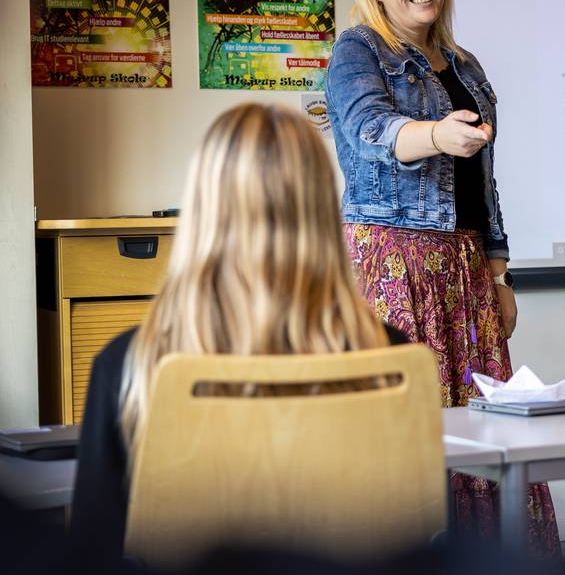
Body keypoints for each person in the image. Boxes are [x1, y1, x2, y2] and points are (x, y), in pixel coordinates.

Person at [70, 104, 408, 565]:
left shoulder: (130, 363)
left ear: (204, 212)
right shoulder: (389, 357)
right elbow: (412, 534)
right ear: (321, 211)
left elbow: (93, 553)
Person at [324, 0, 559, 556]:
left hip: (466, 272)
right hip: (394, 267)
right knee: (408, 436)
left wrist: (499, 274)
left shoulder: (465, 64)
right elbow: (367, 128)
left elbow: (483, 184)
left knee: (488, 438)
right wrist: (434, 135)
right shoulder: (358, 48)